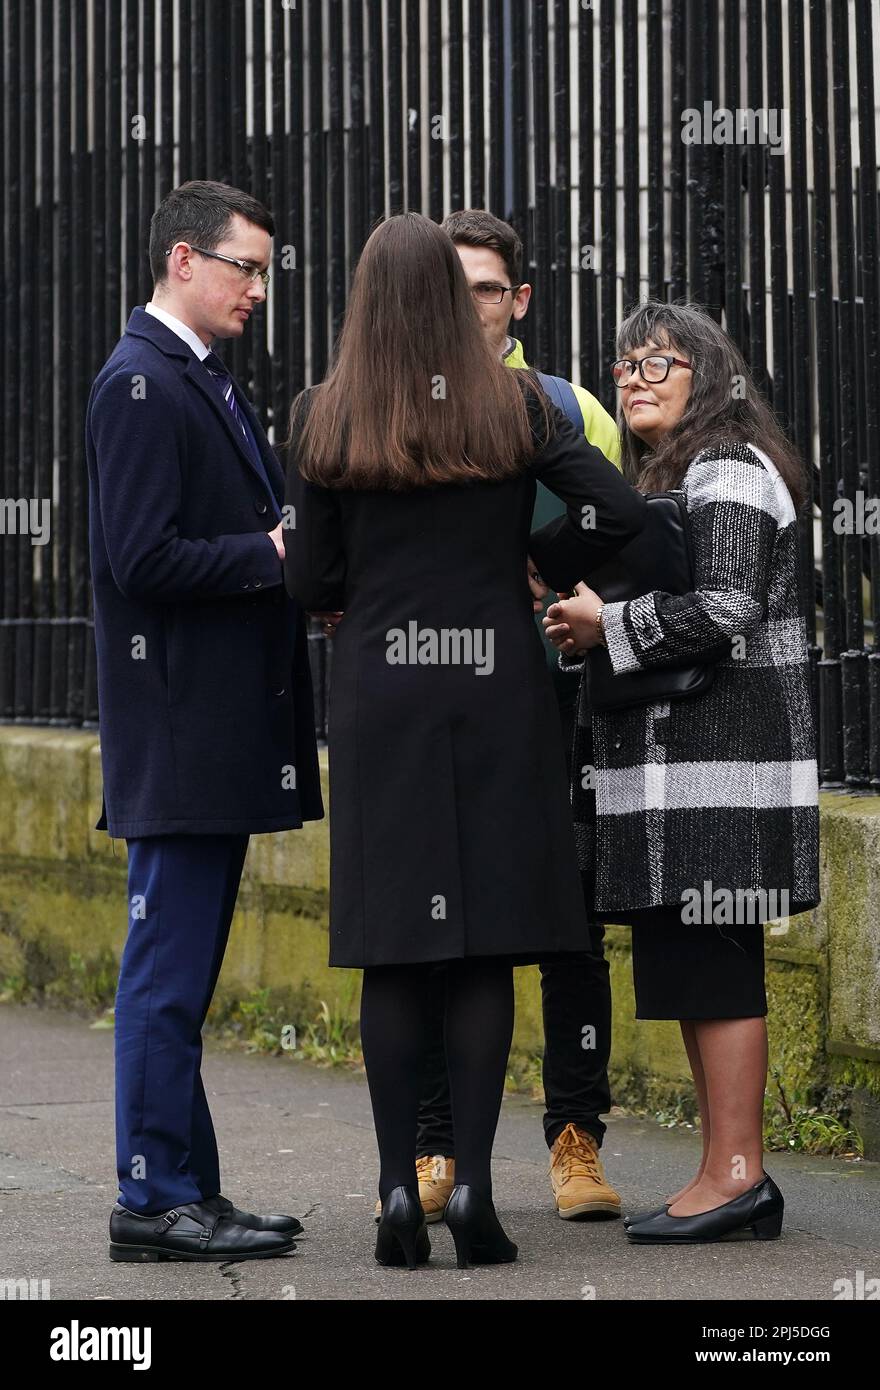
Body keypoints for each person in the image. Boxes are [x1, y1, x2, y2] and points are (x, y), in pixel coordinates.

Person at [283, 212, 646, 1269]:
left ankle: (402, 1187)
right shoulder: (518, 404)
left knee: (394, 947)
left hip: (382, 697)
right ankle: (477, 1190)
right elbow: (619, 511)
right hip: (494, 693)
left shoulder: (322, 414)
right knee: (485, 942)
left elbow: (310, 583)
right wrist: (528, 555)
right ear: (452, 300)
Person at [544, 300, 820, 1244]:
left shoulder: (730, 463)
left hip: (724, 771)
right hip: (685, 777)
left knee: (719, 966)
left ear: (709, 375)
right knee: (695, 972)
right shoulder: (675, 472)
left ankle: (739, 1178)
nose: (632, 380)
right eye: (623, 366)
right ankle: (723, 1172)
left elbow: (731, 603)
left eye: (657, 364)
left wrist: (604, 626)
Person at [86, 180, 323, 1263]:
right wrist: (269, 554)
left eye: (266, 270)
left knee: (181, 977)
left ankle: (194, 1190)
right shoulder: (139, 383)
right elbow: (140, 560)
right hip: (178, 738)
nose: (259, 290)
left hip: (212, 737)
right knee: (163, 980)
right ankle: (149, 1198)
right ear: (184, 258)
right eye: (246, 267)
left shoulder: (198, 378)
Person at [404, 209, 624, 1224]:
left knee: (569, 929)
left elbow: (619, 523)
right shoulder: (395, 399)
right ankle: (436, 1149)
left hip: (560, 691)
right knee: (442, 929)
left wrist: (553, 573)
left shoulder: (567, 404)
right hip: (442, 700)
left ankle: (574, 1143)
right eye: (452, 287)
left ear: (519, 300)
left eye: (486, 288)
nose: (469, 307)